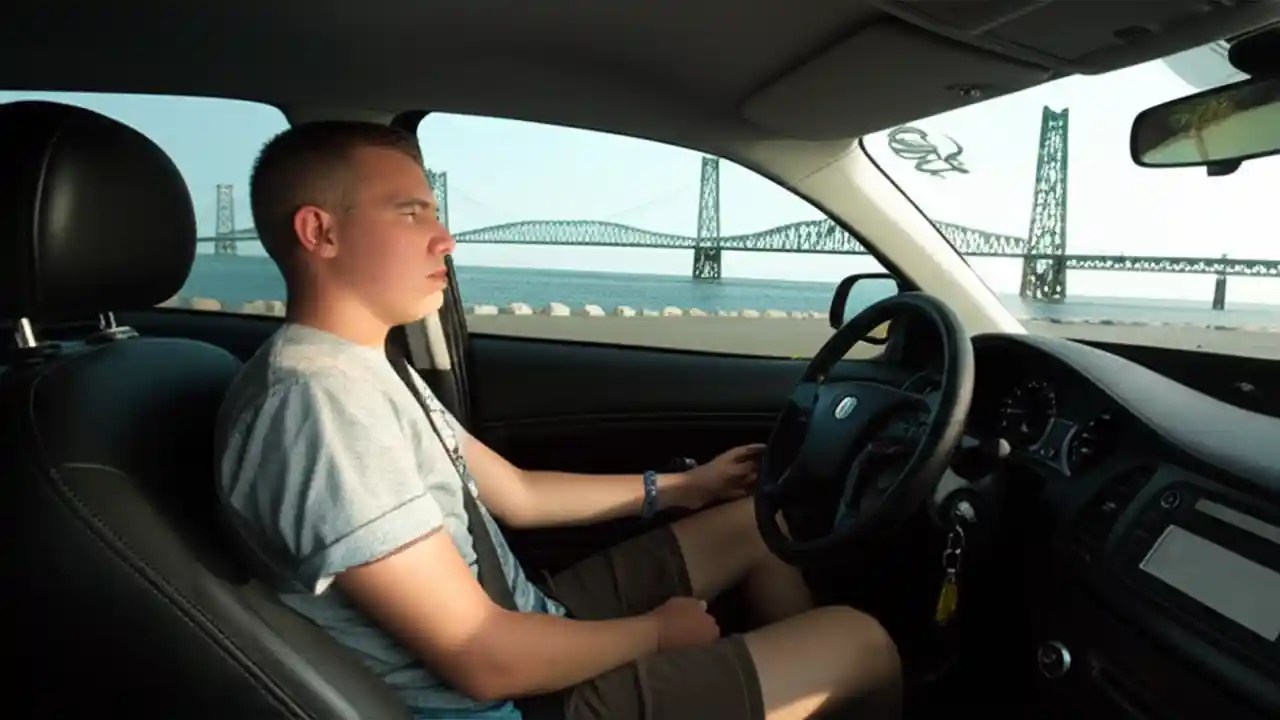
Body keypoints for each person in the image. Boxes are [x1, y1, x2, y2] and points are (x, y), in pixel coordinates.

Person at [214, 121, 902, 720]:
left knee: (758, 523)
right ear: (320, 232)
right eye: (411, 213)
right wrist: (655, 635)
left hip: (523, 618)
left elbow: (517, 493)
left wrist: (682, 488)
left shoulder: (359, 369)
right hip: (509, 702)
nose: (446, 239)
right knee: (859, 642)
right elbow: (481, 660)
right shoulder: (317, 406)